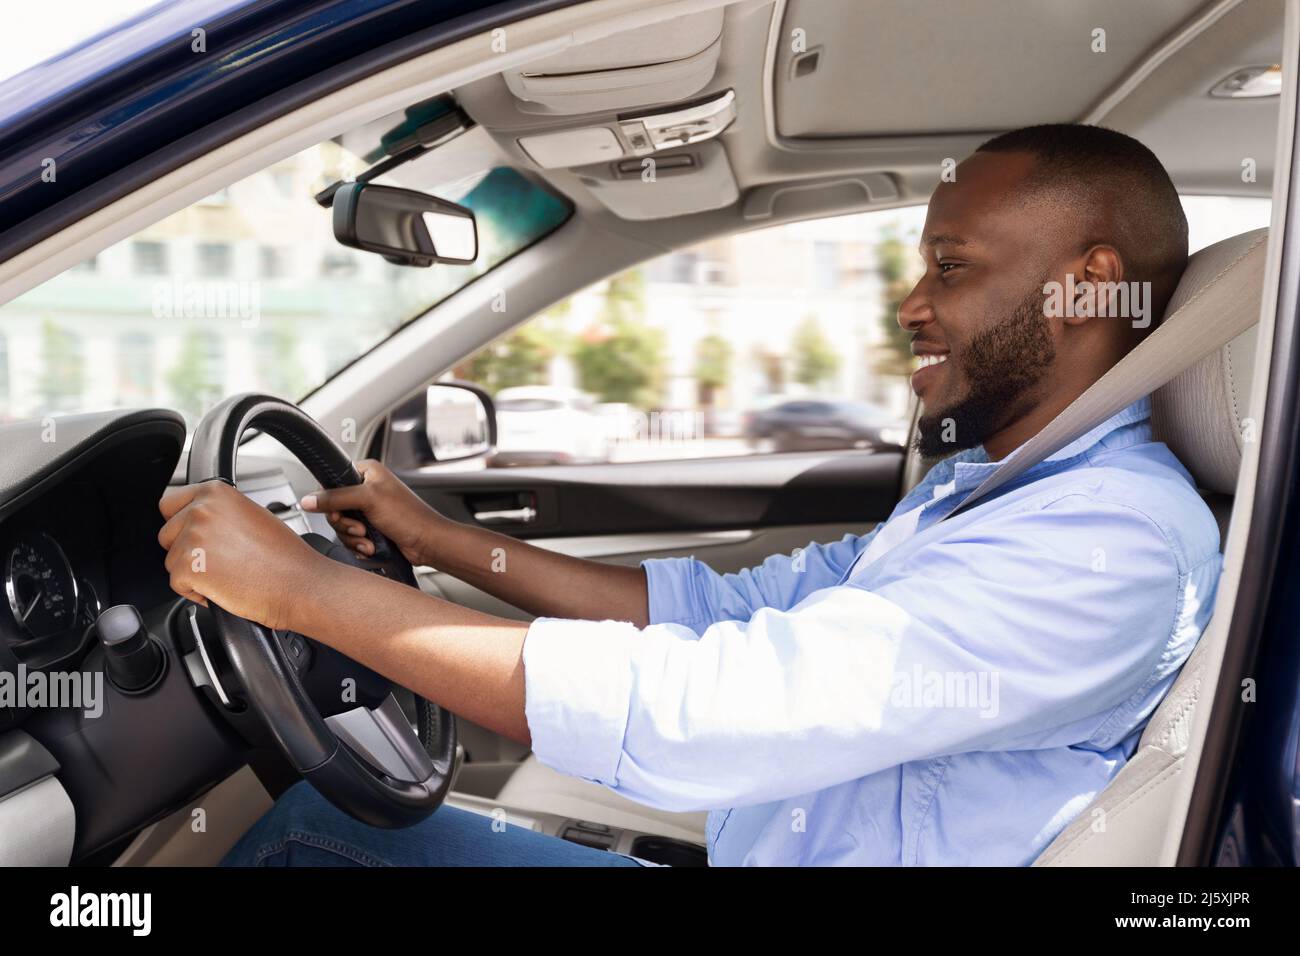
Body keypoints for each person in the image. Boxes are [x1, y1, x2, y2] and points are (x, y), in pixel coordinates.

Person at [159, 124, 1221, 866]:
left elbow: (702, 710)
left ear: (1086, 284)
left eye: (949, 267)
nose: (910, 303)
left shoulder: (1110, 537)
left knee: (305, 839)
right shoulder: (987, 495)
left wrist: (302, 591)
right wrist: (436, 538)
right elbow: (719, 614)